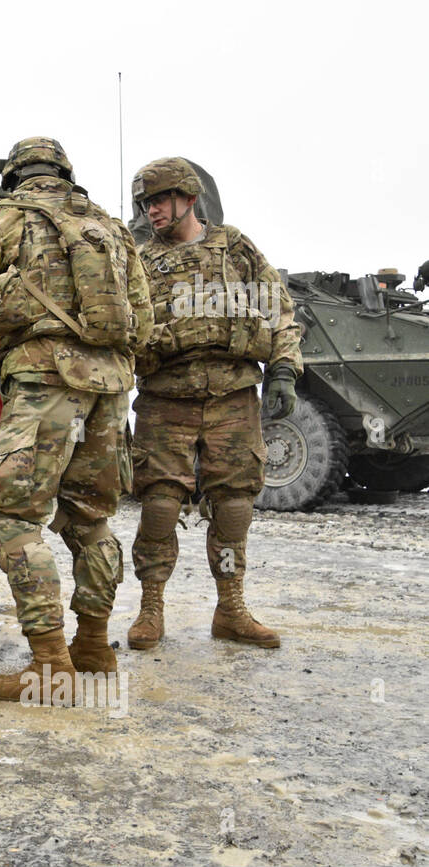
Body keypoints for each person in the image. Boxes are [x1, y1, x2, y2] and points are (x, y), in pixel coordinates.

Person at [0, 137, 153, 705]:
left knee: (12, 515)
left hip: (43, 383)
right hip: (110, 390)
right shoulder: (111, 229)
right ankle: (94, 647)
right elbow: (146, 320)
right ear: (64, 173)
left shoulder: (1, 220)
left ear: (15, 177)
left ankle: (50, 665)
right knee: (92, 518)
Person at [127, 158, 302, 650]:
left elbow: (278, 308)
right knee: (159, 505)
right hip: (166, 399)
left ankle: (231, 610)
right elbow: (123, 328)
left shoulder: (235, 248)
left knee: (234, 506)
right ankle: (151, 609)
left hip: (232, 397)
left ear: (189, 198)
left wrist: (284, 370)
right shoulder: (138, 260)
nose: (152, 210)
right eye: (145, 202)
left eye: (160, 199)